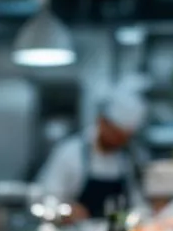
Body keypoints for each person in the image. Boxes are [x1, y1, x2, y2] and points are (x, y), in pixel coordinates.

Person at [36, 85, 148, 220]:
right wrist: (66, 210)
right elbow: (44, 200)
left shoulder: (129, 158)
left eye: (125, 138)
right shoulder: (70, 153)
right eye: (116, 135)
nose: (119, 142)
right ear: (101, 122)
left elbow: (138, 203)